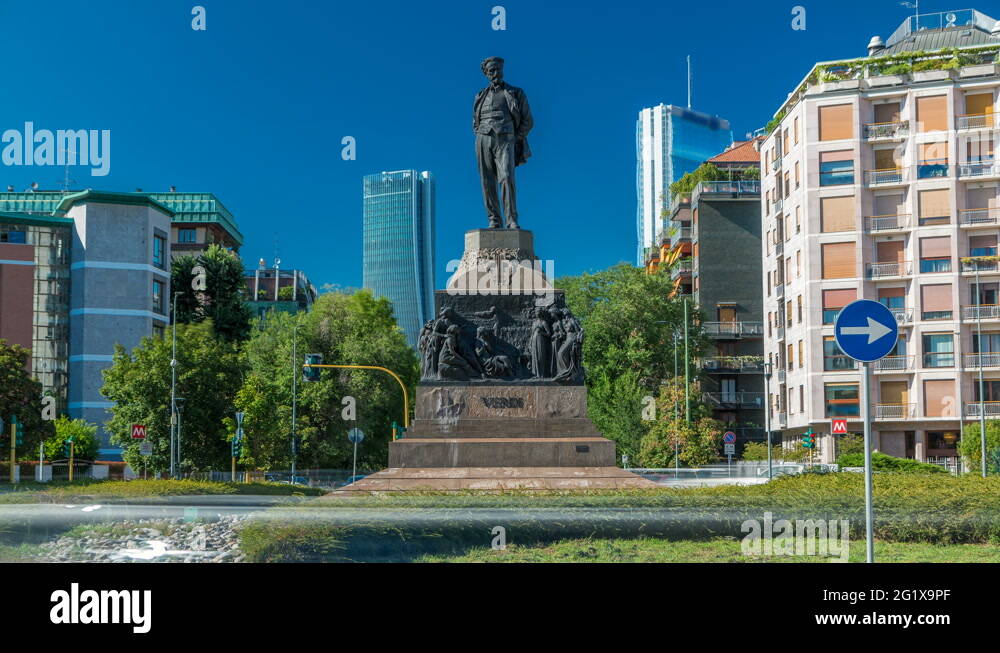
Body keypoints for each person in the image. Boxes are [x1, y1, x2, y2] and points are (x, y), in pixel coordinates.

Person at [473, 56, 533, 229]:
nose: (495, 73)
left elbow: (528, 120)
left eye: (497, 69)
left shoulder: (515, 92)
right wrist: (481, 133)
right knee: (486, 180)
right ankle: (494, 219)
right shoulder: (479, 96)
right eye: (491, 70)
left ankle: (511, 219)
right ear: (486, 73)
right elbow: (474, 122)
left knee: (506, 177)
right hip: (483, 138)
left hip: (506, 138)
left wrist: (516, 137)